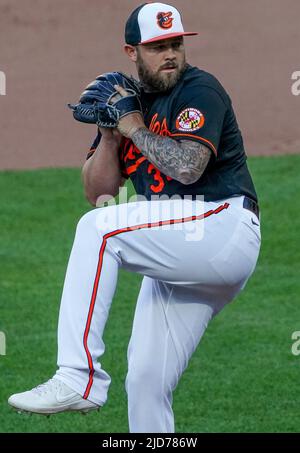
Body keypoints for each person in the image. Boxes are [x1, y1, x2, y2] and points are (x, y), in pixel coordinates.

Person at [8, 2, 261, 433]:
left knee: (99, 232)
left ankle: (77, 376)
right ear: (132, 52)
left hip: (222, 228)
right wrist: (109, 135)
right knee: (146, 380)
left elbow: (187, 168)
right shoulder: (127, 102)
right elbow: (99, 193)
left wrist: (132, 127)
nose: (170, 55)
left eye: (176, 44)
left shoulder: (201, 90)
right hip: (182, 254)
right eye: (158, 46)